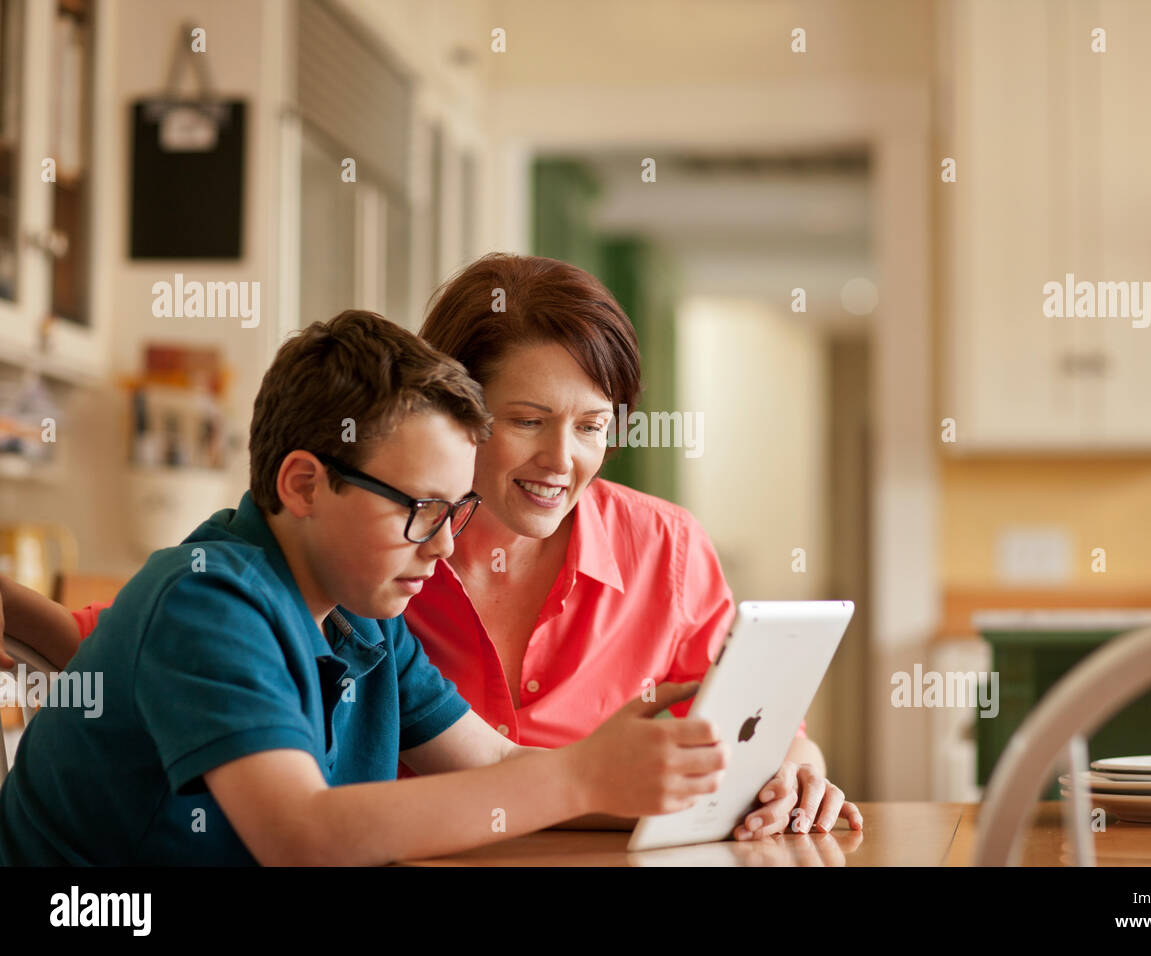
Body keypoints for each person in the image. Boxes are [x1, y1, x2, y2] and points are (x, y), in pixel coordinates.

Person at [3, 254, 862, 841]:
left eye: (594, 428)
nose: (446, 542)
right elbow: (299, 827)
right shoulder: (249, 593)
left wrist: (739, 776)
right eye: (524, 421)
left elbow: (503, 765)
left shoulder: (370, 617)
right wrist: (588, 780)